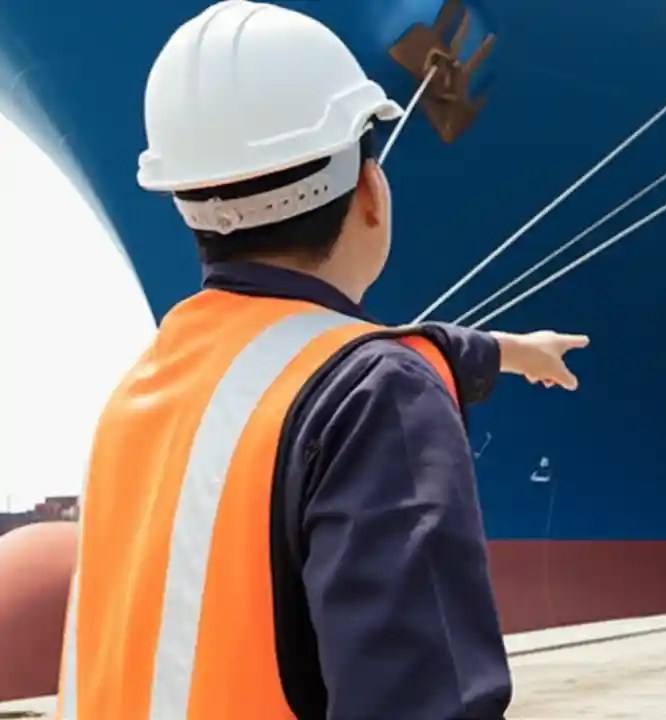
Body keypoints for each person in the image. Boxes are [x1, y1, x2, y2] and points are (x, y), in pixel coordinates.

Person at [55, 2, 586, 718]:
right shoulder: (378, 395)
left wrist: (512, 352)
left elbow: (327, 377)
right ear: (372, 193)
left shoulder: (142, 394)